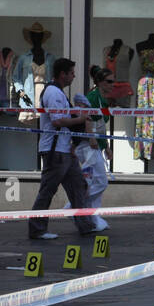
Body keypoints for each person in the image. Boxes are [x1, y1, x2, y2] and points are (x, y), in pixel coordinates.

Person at [28, 58, 98, 241]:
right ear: (63, 74)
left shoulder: (58, 93)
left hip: (65, 149)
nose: (74, 75)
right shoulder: (53, 93)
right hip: (55, 151)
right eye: (72, 72)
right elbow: (57, 120)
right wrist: (81, 119)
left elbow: (63, 119)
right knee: (48, 190)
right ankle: (37, 229)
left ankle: (86, 225)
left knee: (79, 187)